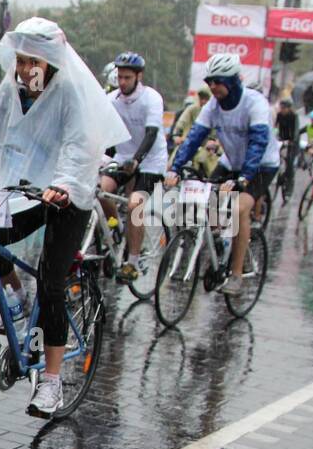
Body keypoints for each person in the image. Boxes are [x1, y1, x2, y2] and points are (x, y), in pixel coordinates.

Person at [0, 17, 128, 418]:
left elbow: (78, 145)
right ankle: (15, 296)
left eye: (32, 61)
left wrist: (65, 184)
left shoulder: (70, 91)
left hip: (68, 194)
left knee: (52, 284)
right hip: (29, 188)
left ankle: (50, 382)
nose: (24, 69)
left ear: (50, 62)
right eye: (19, 60)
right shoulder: (10, 90)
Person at [166, 52, 280, 296]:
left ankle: (237, 274)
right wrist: (175, 168)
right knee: (208, 204)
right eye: (209, 82)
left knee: (239, 210)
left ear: (233, 80)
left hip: (261, 165)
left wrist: (245, 178)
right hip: (231, 162)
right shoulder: (212, 107)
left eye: (218, 81)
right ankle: (220, 240)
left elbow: (259, 143)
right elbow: (194, 138)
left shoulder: (255, 103)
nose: (213, 87)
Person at [99, 51, 167, 283]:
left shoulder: (151, 98)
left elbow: (151, 133)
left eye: (127, 77)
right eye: (119, 77)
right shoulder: (112, 100)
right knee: (98, 190)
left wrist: (137, 160)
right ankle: (116, 228)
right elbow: (98, 131)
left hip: (150, 161)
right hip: (123, 156)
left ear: (139, 76)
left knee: (135, 203)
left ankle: (133, 261)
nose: (122, 82)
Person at [275, 97, 298, 188]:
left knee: (289, 161)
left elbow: (296, 130)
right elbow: (275, 126)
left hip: (292, 140)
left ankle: (289, 182)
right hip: (282, 138)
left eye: (284, 108)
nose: (282, 110)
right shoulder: (279, 115)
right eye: (281, 108)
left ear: (289, 108)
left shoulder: (294, 116)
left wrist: (292, 140)